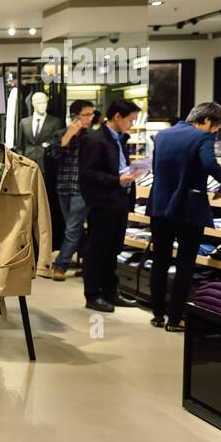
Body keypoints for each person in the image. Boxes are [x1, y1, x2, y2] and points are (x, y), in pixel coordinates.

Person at [147, 102, 221, 331]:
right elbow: (209, 163)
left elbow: (156, 168)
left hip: (160, 204)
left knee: (160, 260)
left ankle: (157, 314)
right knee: (185, 264)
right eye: (215, 128)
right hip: (188, 207)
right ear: (207, 121)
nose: (214, 133)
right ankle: (175, 319)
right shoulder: (201, 137)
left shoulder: (162, 135)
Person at [79, 98, 141, 312]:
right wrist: (117, 180)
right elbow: (87, 174)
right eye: (130, 120)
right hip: (102, 202)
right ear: (117, 117)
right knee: (97, 249)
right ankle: (93, 295)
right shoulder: (95, 140)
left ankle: (110, 292)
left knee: (113, 249)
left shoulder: (120, 139)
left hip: (120, 200)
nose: (132, 125)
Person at [48, 99, 95, 280]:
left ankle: (60, 265)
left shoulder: (91, 137)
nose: (89, 118)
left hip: (82, 189)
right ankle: (88, 263)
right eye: (86, 114)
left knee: (73, 229)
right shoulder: (61, 133)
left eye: (91, 114)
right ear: (75, 115)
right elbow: (53, 155)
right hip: (63, 186)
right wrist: (68, 136)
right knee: (73, 228)